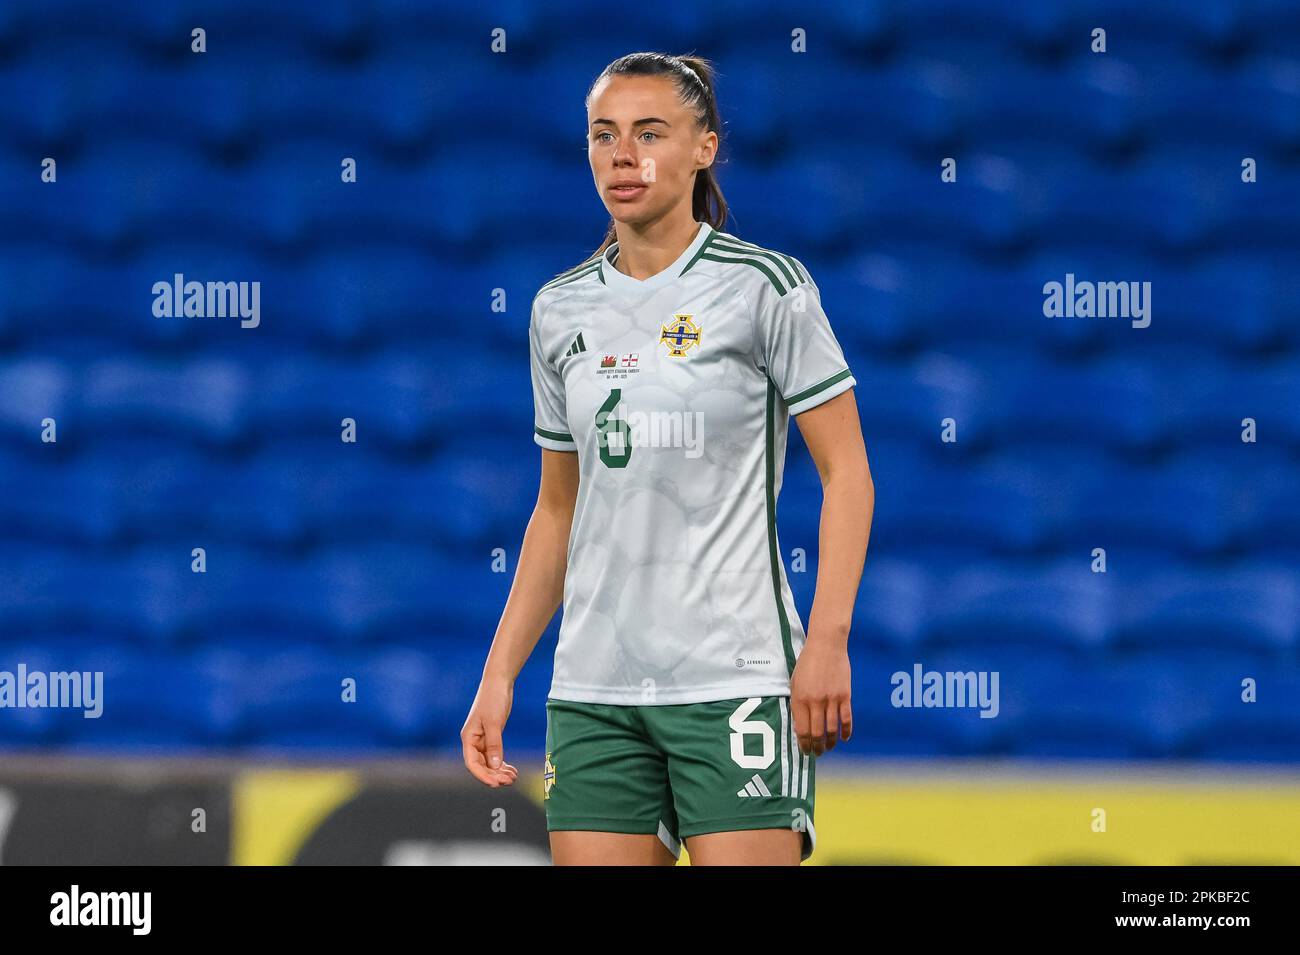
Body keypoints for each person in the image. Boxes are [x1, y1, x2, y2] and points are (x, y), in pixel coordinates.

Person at [462, 51, 873, 866]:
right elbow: (557, 510)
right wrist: (499, 670)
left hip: (737, 677)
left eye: (651, 132)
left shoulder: (765, 288)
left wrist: (827, 639)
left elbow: (849, 475)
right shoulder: (558, 309)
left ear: (705, 148)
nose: (624, 155)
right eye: (604, 135)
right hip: (594, 689)